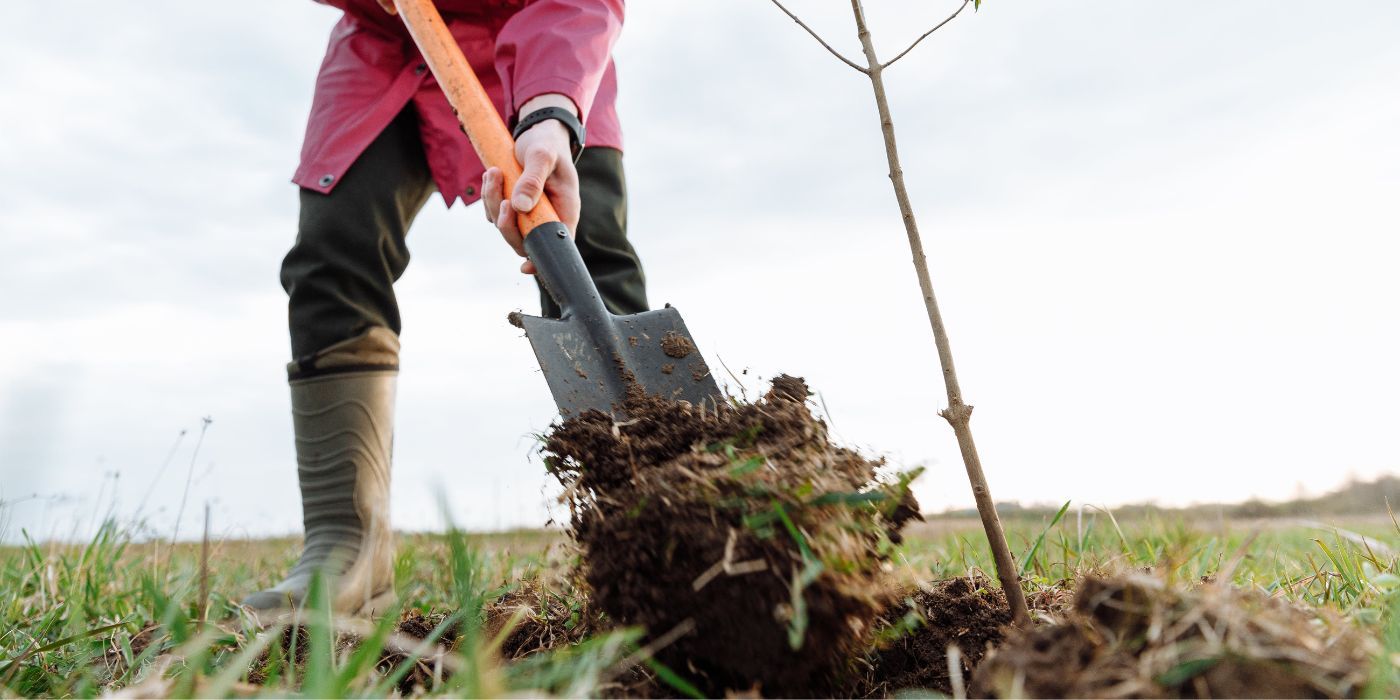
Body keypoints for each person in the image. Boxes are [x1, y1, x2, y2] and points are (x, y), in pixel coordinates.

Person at [242, 0, 644, 613]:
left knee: (588, 259)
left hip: (542, 42)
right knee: (333, 250)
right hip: (387, 43)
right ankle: (348, 553)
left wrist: (552, 109)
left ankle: (650, 528)